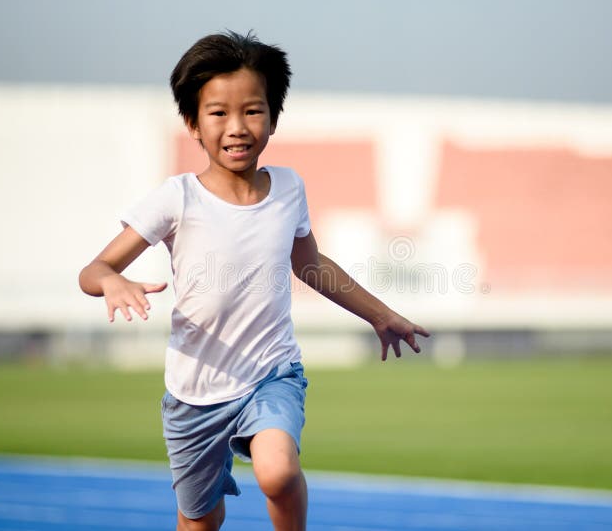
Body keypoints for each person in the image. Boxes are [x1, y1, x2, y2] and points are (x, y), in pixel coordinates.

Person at [78, 31, 429, 531]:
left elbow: (310, 265)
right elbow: (93, 270)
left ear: (273, 118)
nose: (237, 126)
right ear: (193, 124)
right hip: (194, 390)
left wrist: (382, 314)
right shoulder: (176, 198)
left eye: (253, 110)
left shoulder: (288, 187)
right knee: (200, 521)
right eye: (218, 112)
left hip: (270, 372)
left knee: (278, 472)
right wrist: (112, 282)